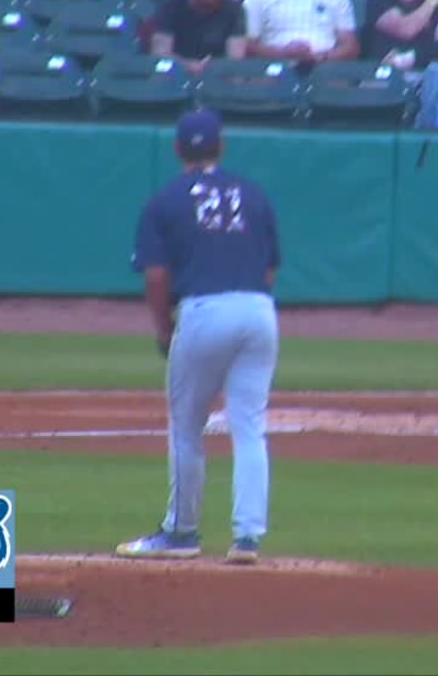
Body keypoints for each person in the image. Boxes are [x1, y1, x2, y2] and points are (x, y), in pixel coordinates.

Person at [116, 107, 281, 564]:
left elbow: (154, 276)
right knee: (250, 427)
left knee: (186, 427)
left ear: (176, 150)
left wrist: (163, 329)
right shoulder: (253, 193)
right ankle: (247, 537)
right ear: (221, 146)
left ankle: (181, 531)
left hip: (204, 310)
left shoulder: (165, 199)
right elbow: (270, 265)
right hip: (259, 309)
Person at [150, 0, 249, 74]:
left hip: (218, 76)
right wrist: (188, 65)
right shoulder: (171, 5)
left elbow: (235, 59)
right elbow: (161, 53)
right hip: (175, 74)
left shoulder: (233, 9)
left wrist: (213, 67)